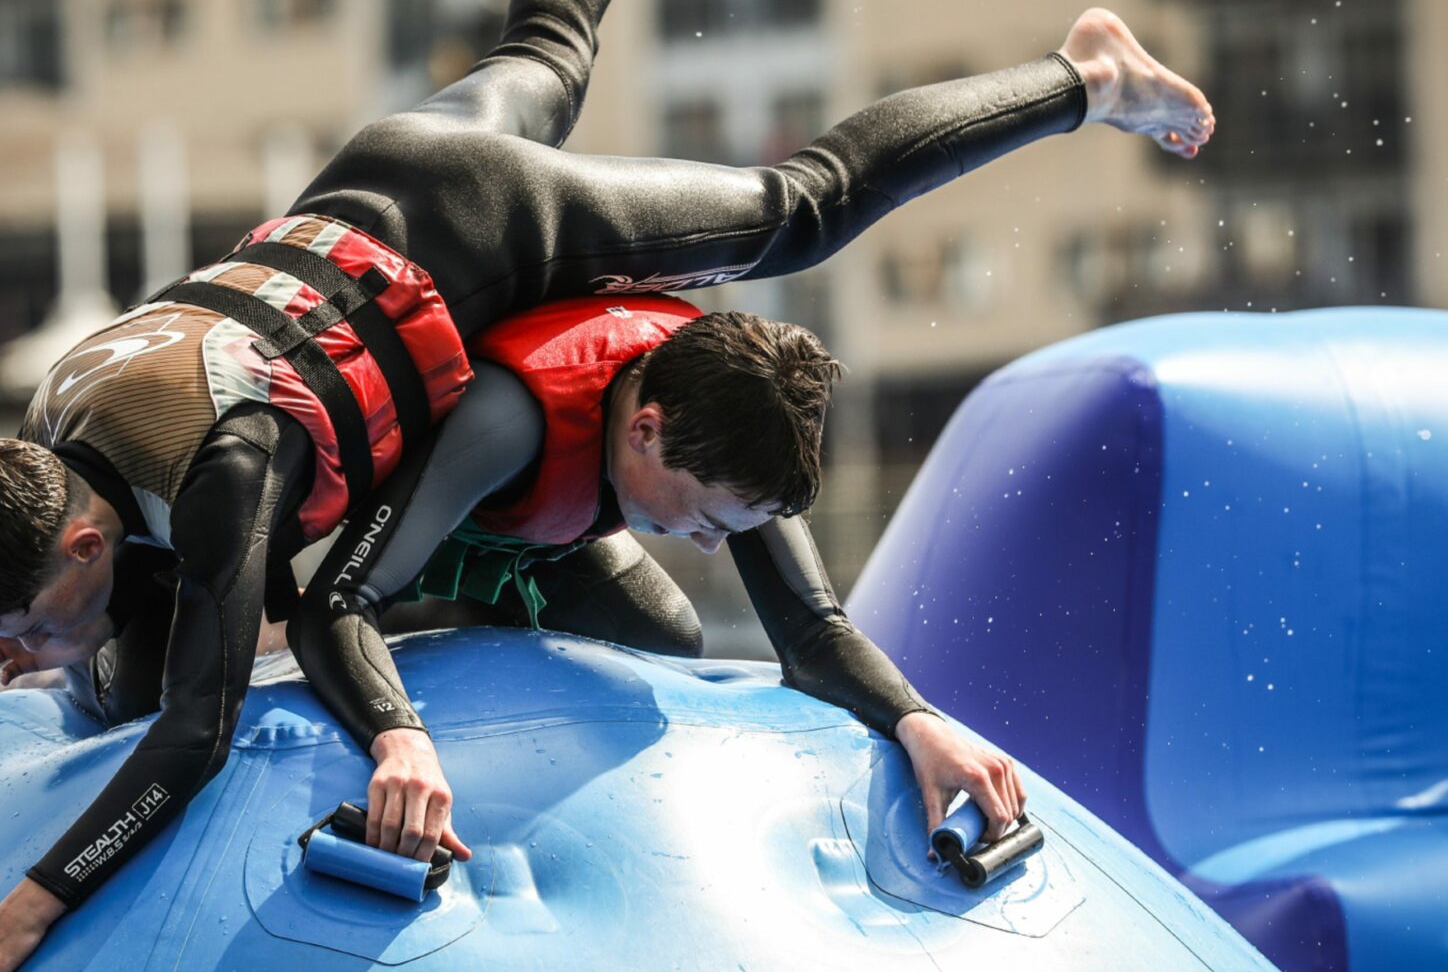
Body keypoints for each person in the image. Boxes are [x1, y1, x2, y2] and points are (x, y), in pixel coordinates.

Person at [0, 0, 1214, 972]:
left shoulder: (238, 463)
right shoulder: (43, 449)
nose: (7, 647)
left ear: (82, 535)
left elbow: (198, 725)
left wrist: (31, 906)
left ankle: (1084, 77)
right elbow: (113, 628)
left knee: (796, 215)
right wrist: (26, 635)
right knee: (553, 50)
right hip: (358, 199)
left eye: (24, 612)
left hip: (484, 222)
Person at [289, 295, 1023, 872]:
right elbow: (334, 603)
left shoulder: (739, 423)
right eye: (705, 515)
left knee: (662, 634)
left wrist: (917, 720)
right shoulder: (508, 418)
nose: (710, 544)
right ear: (645, 429)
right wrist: (399, 736)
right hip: (414, 532)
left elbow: (815, 629)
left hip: (538, 539)